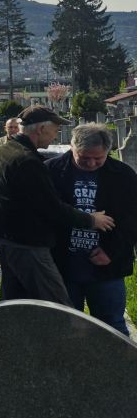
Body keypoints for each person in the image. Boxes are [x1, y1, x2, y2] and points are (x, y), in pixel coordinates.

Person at [0, 105, 114, 304]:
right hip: (26, 243)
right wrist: (91, 219)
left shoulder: (1, 150)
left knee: (16, 300)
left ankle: (14, 335)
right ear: (41, 129)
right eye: (55, 130)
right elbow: (51, 208)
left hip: (2, 237)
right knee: (56, 305)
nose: (56, 135)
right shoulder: (27, 161)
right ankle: (62, 336)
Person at [46, 124, 137, 335]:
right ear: (72, 147)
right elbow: (45, 213)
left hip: (107, 268)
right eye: (84, 158)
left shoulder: (122, 174)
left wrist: (111, 251)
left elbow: (132, 220)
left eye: (98, 158)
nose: (91, 163)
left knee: (111, 327)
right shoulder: (52, 171)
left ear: (108, 151)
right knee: (64, 326)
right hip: (64, 263)